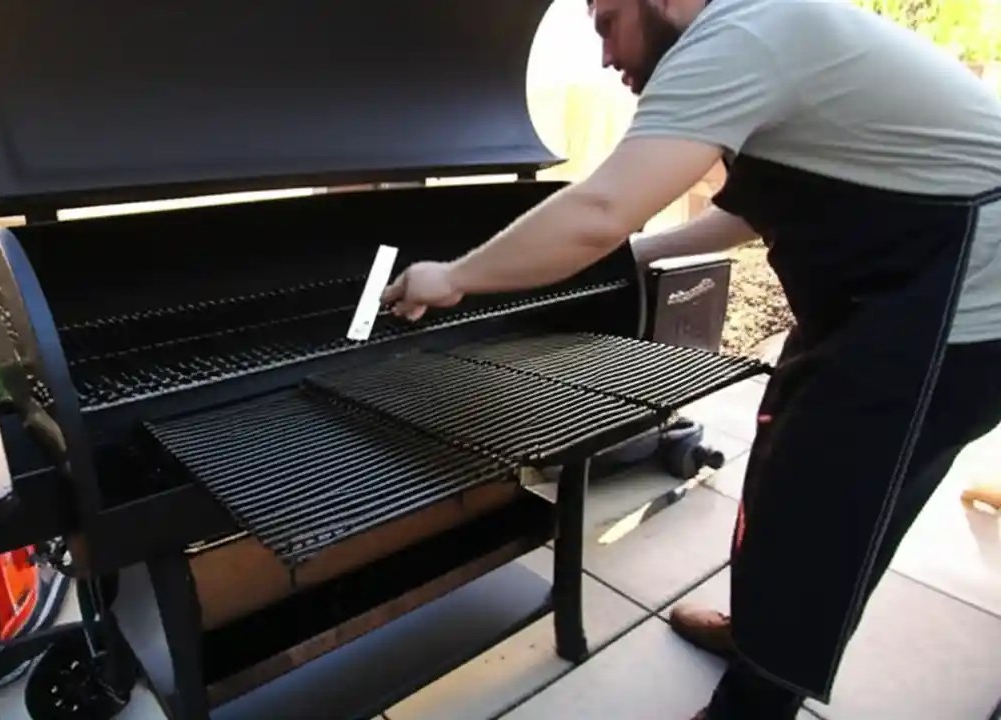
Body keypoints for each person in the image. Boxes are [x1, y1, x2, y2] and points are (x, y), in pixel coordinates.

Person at [379, 0, 1001, 717]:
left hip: (955, 311)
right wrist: (634, 256)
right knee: (781, 466)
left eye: (607, 22)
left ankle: (754, 701)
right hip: (881, 296)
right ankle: (757, 631)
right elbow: (747, 210)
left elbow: (598, 210)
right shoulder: (760, 28)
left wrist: (454, 276)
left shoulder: (741, 29)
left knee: (829, 513)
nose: (606, 56)